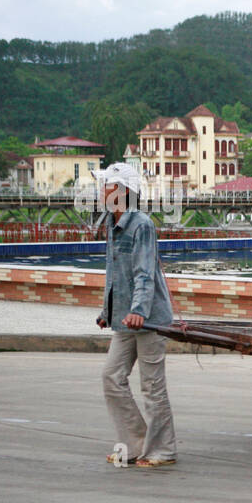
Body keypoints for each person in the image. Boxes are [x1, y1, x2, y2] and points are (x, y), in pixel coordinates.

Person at [94, 162, 178, 467]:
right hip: (125, 317)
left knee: (152, 386)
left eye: (108, 186)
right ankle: (135, 443)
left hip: (149, 316)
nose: (103, 191)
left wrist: (138, 311)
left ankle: (163, 450)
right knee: (111, 377)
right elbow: (114, 272)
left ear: (124, 192)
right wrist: (108, 310)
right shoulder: (111, 223)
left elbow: (144, 273)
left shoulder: (141, 224)